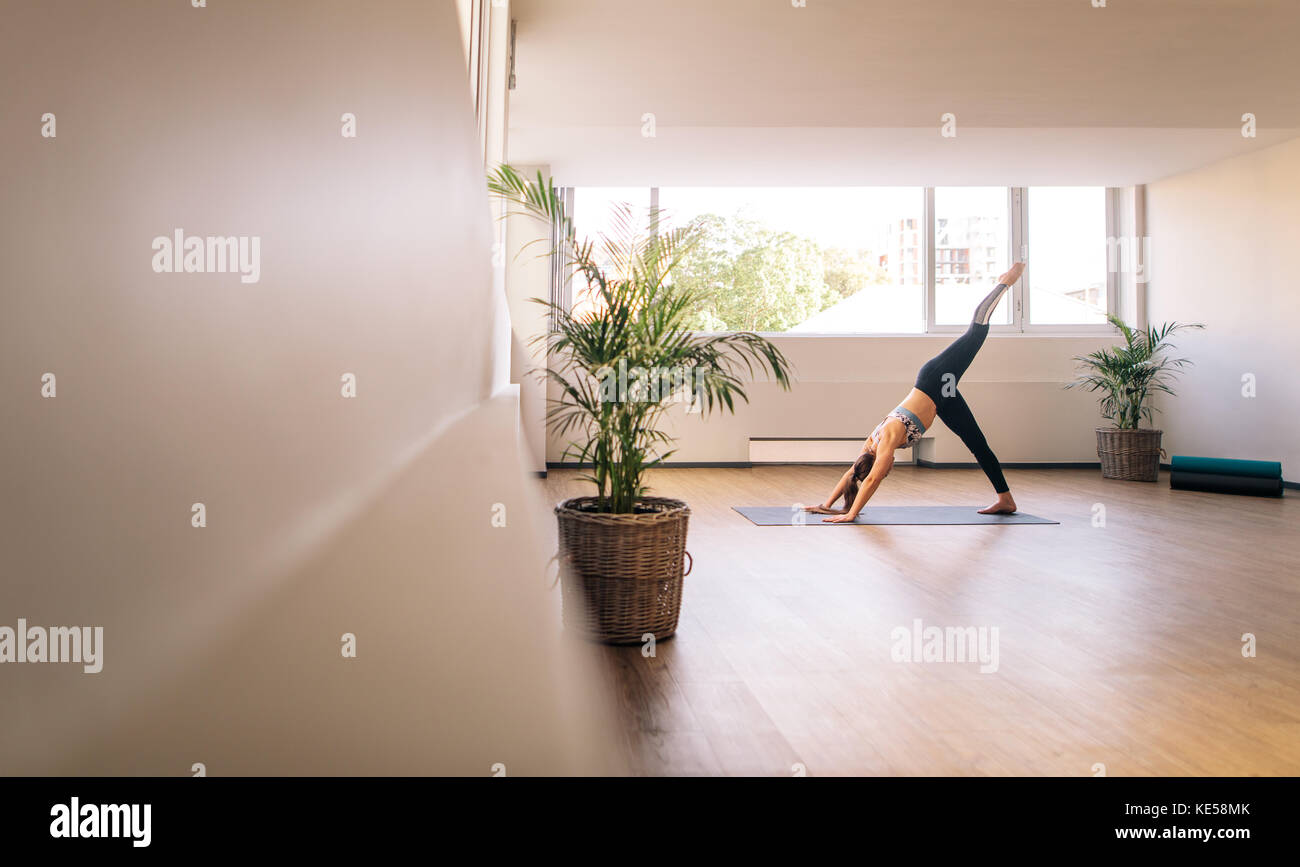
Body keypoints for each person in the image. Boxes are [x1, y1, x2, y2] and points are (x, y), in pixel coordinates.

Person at [808, 263, 1025, 522]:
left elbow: (874, 477)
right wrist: (827, 504)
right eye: (886, 469)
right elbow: (852, 475)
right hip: (942, 399)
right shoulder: (868, 450)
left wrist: (850, 515)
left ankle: (1004, 282)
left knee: (976, 332)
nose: (887, 470)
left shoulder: (887, 438)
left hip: (934, 379)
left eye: (884, 468)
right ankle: (1006, 499)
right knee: (978, 444)